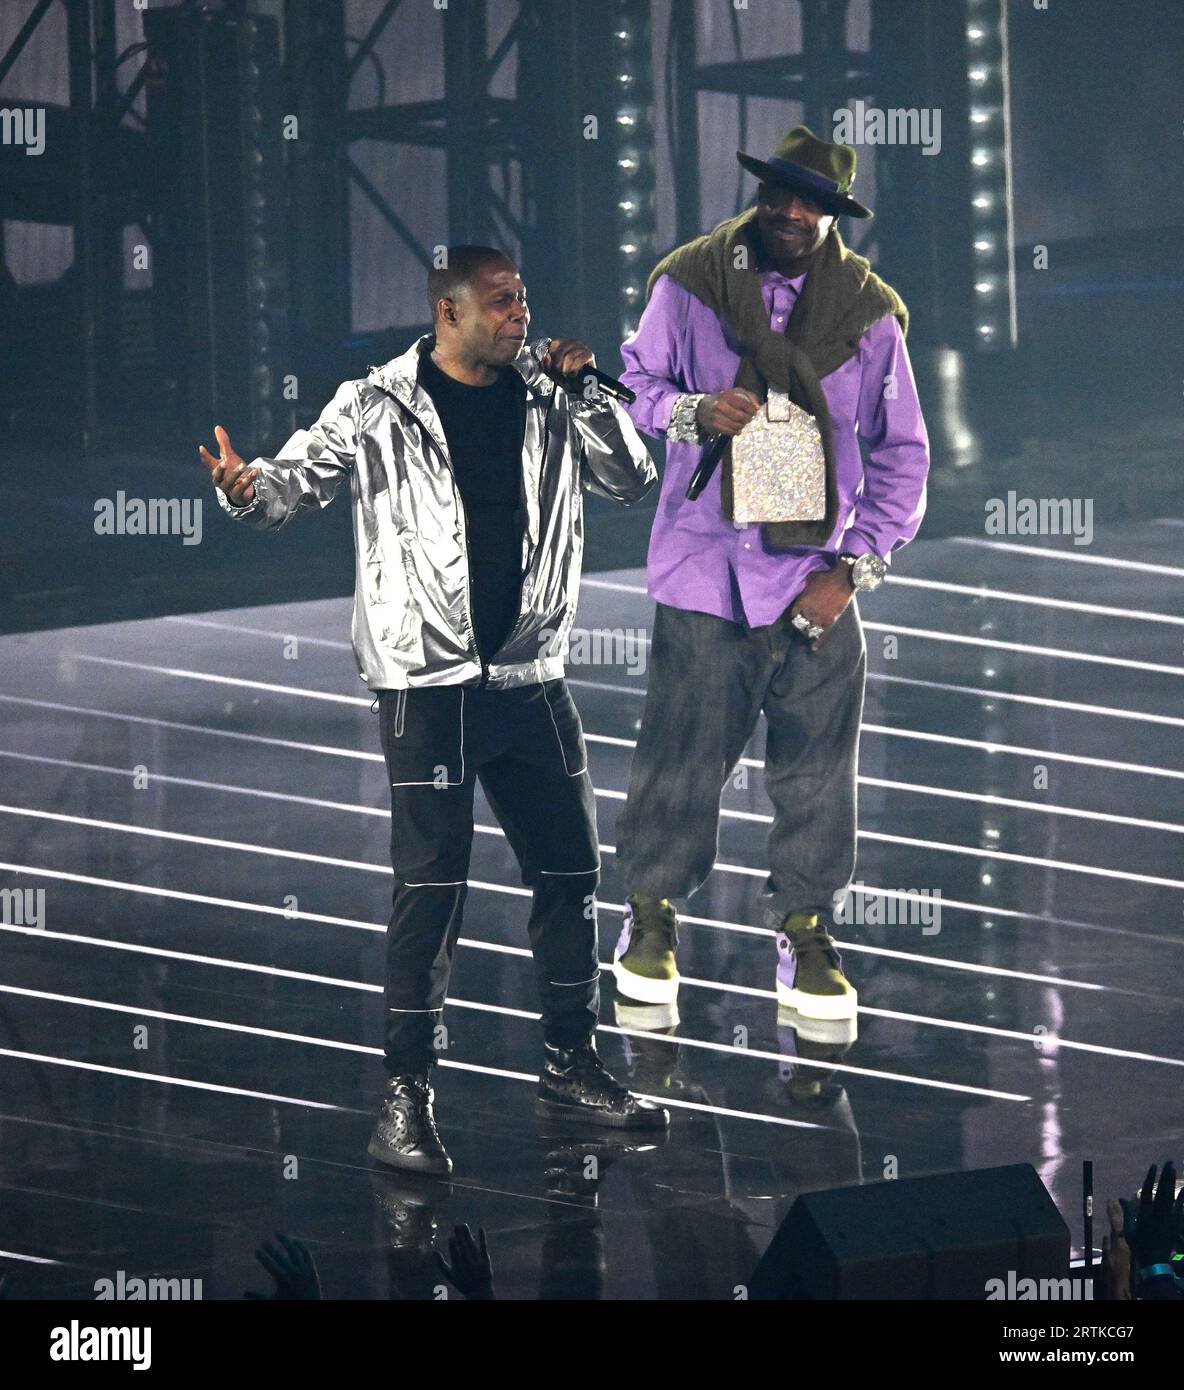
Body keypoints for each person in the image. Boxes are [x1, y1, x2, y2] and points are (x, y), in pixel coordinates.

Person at [201, 245, 666, 1176]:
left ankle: (571, 1063)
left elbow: (633, 477)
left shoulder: (548, 394)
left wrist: (585, 394)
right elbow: (296, 482)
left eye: (524, 300)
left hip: (530, 677)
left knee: (572, 869)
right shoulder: (376, 403)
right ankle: (405, 1100)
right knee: (432, 892)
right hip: (428, 687)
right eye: (500, 303)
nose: (520, 316)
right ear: (449, 314)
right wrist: (248, 488)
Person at [613, 126, 931, 1020]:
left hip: (813, 580)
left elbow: (902, 455)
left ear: (834, 215)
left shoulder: (868, 315)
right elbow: (633, 387)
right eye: (782, 194)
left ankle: (804, 928)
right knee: (679, 759)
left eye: (814, 202)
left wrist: (855, 570)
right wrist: (692, 411)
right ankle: (649, 918)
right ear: (761, 193)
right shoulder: (689, 283)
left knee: (819, 773)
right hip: (705, 569)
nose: (793, 212)